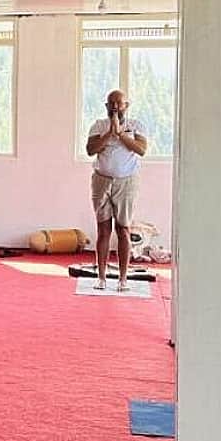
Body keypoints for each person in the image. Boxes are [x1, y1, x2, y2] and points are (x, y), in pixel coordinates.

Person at [85, 90, 147, 291]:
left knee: (123, 230)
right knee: (103, 230)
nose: (115, 107)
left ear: (126, 106)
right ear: (106, 106)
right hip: (102, 181)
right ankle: (101, 277)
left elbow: (141, 149)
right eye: (111, 103)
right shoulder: (98, 125)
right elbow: (91, 149)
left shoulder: (135, 125)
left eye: (119, 104)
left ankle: (122, 279)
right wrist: (109, 134)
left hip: (126, 182)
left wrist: (120, 134)